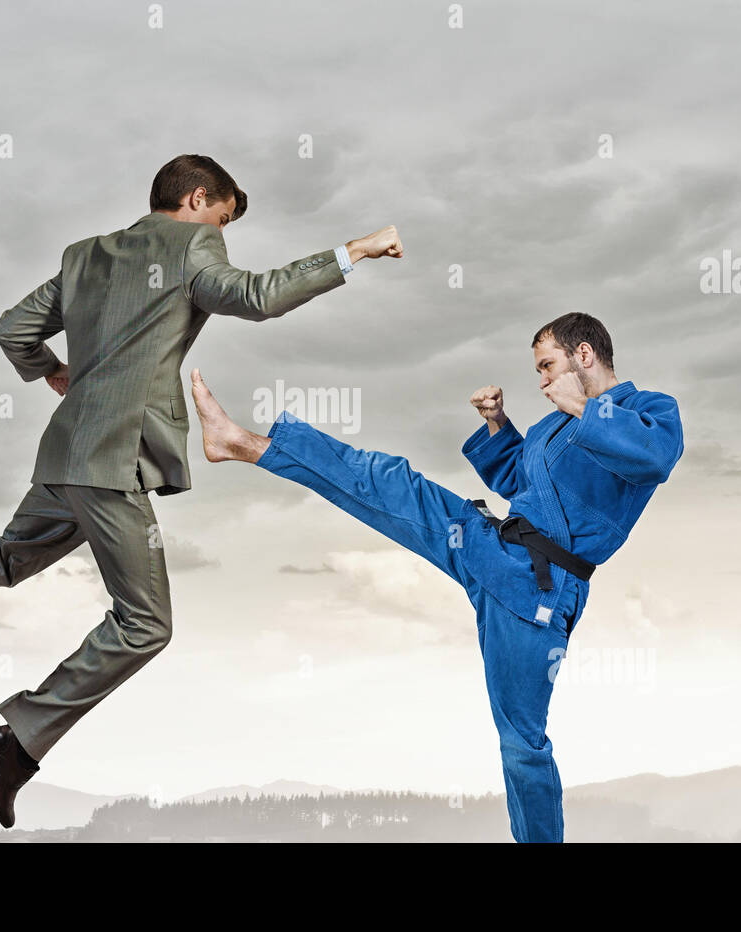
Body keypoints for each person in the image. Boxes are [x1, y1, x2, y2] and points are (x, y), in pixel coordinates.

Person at [0, 153, 403, 828]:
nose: (223, 235)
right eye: (224, 218)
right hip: (114, 457)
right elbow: (257, 296)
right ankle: (24, 734)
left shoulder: (84, 255)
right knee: (146, 623)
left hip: (67, 453)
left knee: (5, 558)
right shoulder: (190, 244)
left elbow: (12, 330)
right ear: (198, 198)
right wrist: (352, 252)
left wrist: (53, 371)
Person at [186, 311, 684, 842]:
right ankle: (245, 443)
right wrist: (497, 424)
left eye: (547, 366)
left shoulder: (650, 409)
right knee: (392, 481)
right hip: (492, 548)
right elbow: (520, 480)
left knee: (522, 741)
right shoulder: (553, 424)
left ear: (583, 355)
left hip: (539, 589)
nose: (540, 381)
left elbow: (654, 457)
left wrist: (582, 407)